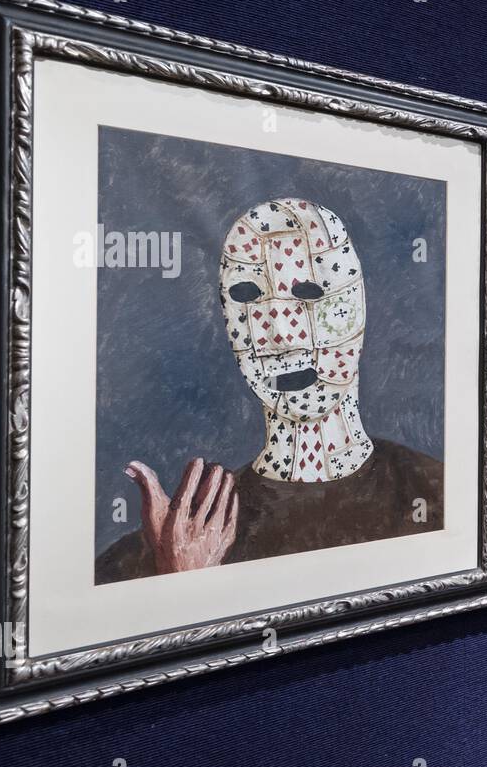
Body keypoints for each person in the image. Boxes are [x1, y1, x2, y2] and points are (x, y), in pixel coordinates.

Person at [95, 197, 442, 584]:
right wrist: (181, 579)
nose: (279, 334)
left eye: (309, 295)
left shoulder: (442, 498)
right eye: (248, 298)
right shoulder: (181, 539)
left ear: (356, 308)